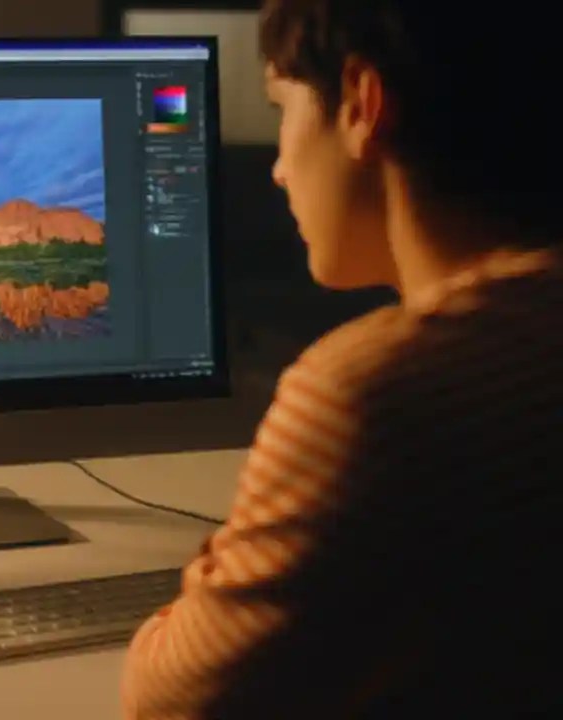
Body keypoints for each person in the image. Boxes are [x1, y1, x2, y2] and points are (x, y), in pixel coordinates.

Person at [120, 1, 562, 718]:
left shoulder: (376, 392)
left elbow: (168, 700)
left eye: (281, 108)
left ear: (361, 103)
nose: (279, 169)